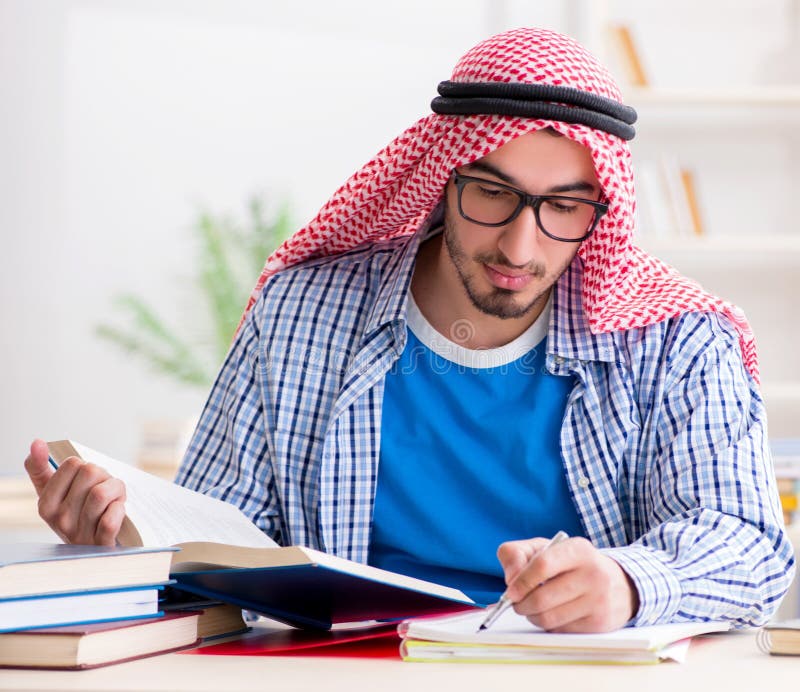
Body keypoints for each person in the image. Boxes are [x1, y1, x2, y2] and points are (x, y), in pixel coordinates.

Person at [25, 27, 794, 633]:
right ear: (440, 177)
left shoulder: (679, 339)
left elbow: (752, 546)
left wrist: (628, 585)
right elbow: (214, 546)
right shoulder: (299, 313)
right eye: (492, 194)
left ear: (602, 206)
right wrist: (117, 537)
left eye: (564, 206)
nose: (521, 248)